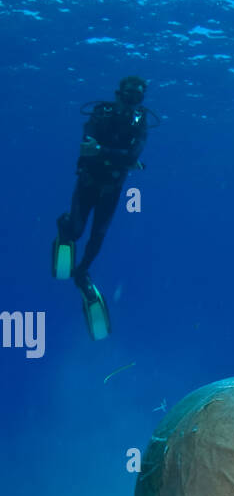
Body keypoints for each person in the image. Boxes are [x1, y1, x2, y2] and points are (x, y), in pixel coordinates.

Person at [53, 75, 149, 338]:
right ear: (118, 94)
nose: (132, 101)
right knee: (76, 231)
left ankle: (82, 274)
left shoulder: (140, 124)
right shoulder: (100, 113)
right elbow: (87, 146)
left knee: (98, 237)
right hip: (88, 184)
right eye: (128, 95)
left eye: (137, 97)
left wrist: (103, 152)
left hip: (111, 191)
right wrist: (116, 157)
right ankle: (64, 229)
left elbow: (131, 155)